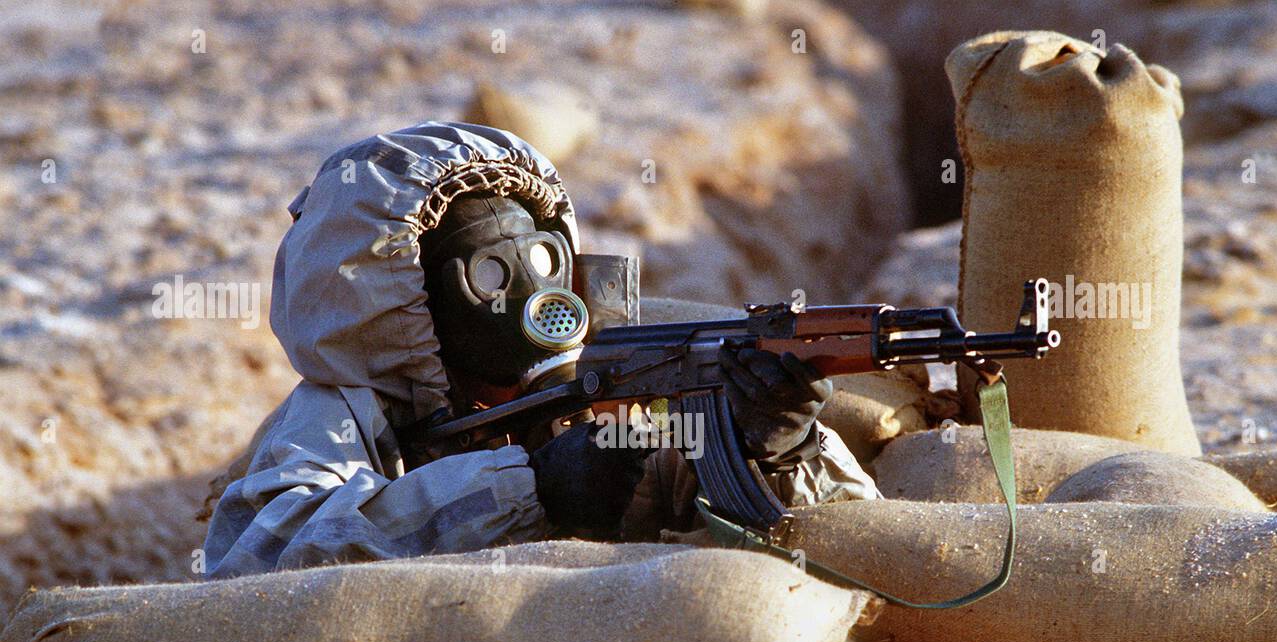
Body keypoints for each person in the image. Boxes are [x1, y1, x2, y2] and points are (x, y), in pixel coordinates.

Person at [202, 122, 875, 578]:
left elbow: (840, 540)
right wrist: (529, 488)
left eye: (545, 257)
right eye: (487, 273)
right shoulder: (347, 411)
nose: (532, 291)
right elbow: (264, 557)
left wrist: (778, 450)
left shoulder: (637, 370)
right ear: (405, 299)